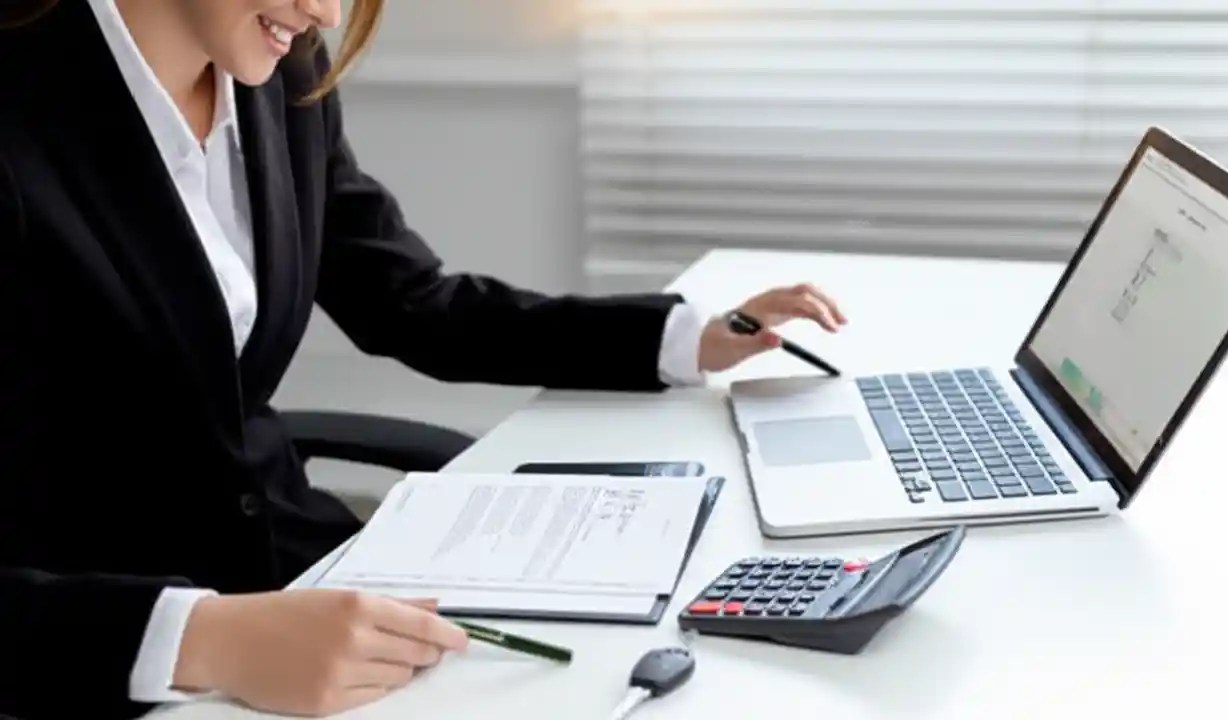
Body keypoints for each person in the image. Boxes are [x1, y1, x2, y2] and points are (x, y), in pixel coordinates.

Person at [0, 1, 847, 718]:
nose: (326, 12)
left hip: (302, 588)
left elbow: (413, 302)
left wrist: (677, 338)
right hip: (92, 651)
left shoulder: (279, 70)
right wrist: (199, 638)